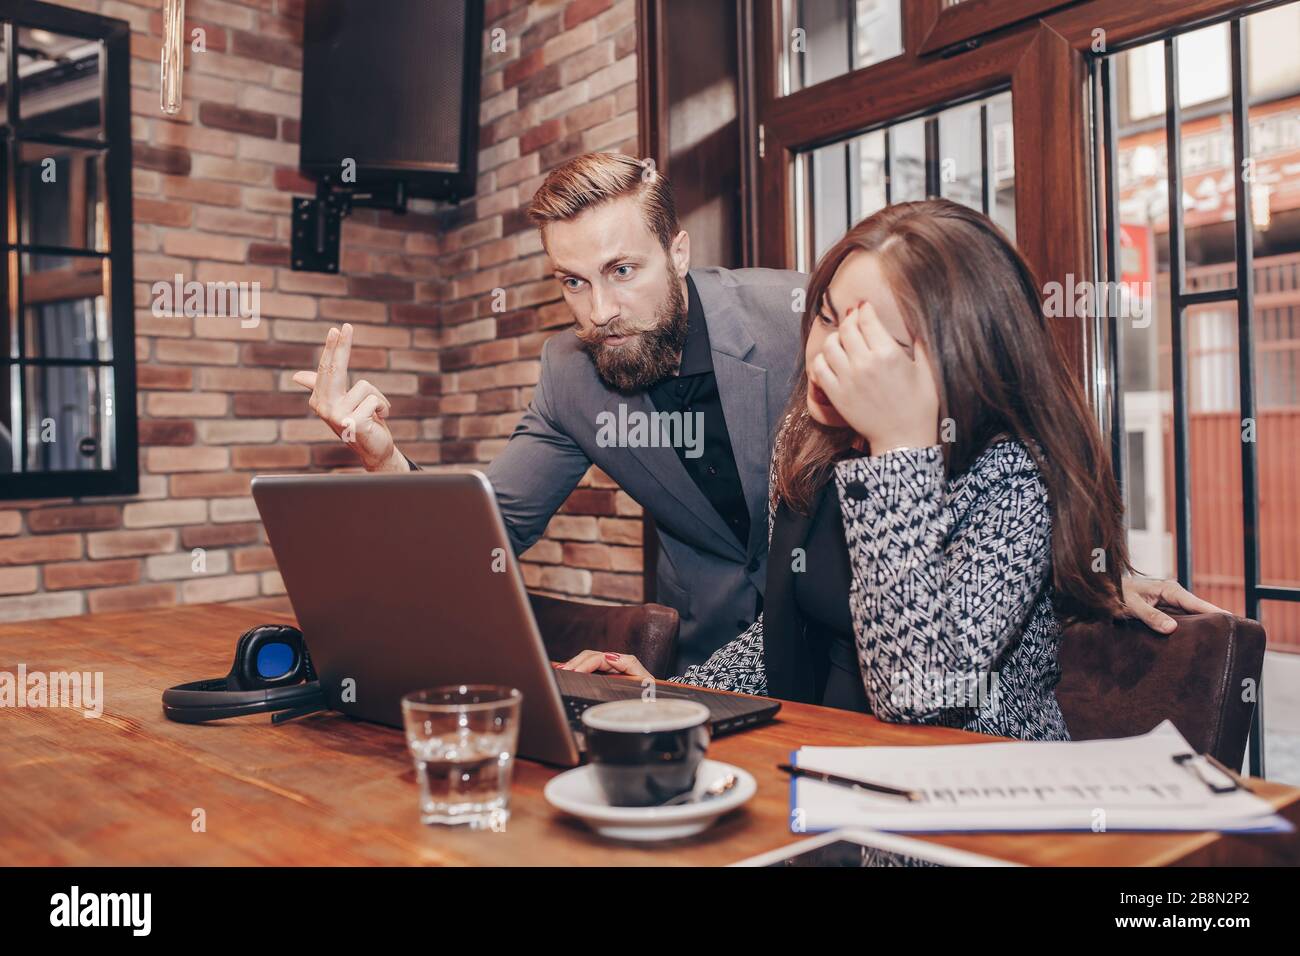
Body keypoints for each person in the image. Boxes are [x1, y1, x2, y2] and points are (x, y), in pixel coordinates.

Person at [292, 152, 1219, 671]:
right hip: (742, 668)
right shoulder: (569, 377)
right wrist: (379, 452)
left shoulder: (802, 328)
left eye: (622, 271)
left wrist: (1091, 567)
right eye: (571, 283)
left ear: (679, 251)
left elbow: (982, 454)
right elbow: (479, 540)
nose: (599, 310)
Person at [559, 200, 1159, 740]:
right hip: (830, 760)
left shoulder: (1015, 470)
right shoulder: (810, 438)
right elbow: (787, 632)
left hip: (970, 801)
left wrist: (899, 450)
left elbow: (924, 697)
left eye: (868, 336)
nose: (828, 353)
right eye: (826, 317)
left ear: (957, 354)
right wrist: (677, 700)